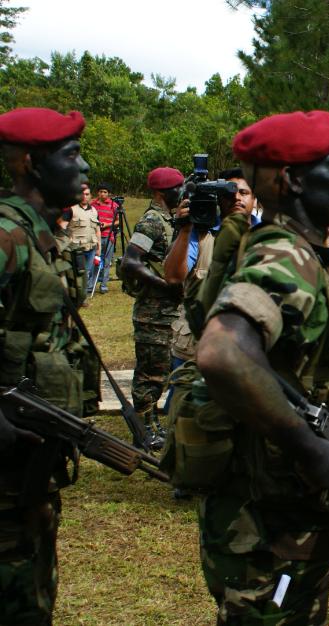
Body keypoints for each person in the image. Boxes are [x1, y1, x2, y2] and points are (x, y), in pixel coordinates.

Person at [192, 110, 329, 624]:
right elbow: (221, 352)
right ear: (291, 180)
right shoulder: (287, 258)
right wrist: (307, 445)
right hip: (266, 520)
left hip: (279, 510)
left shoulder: (296, 249)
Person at [0, 107, 93, 624]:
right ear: (33, 164)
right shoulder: (7, 236)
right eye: (71, 155)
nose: (82, 169)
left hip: (28, 470)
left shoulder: (41, 236)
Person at [163, 168, 257, 371]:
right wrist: (185, 229)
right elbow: (172, 276)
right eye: (229, 193)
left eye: (244, 192)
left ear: (255, 198)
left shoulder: (268, 236)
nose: (237, 198)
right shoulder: (200, 235)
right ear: (218, 199)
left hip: (250, 352)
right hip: (197, 350)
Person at [119, 166, 184, 449]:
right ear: (159, 192)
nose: (181, 192)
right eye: (176, 188)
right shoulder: (152, 221)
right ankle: (143, 432)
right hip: (153, 313)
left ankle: (152, 426)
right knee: (150, 373)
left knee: (163, 370)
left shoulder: (172, 220)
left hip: (169, 311)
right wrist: (164, 284)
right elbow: (130, 262)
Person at [64, 182, 101, 300]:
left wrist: (99, 247)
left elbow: (97, 229)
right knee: (75, 273)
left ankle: (82, 297)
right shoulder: (71, 210)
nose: (85, 196)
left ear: (90, 196)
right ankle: (73, 296)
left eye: (87, 194)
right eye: (82, 194)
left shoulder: (94, 211)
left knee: (87, 273)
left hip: (91, 247)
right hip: (76, 249)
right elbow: (62, 227)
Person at [91, 183, 119, 294]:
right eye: (101, 191)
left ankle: (104, 285)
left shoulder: (114, 205)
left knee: (107, 261)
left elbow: (118, 221)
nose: (102, 194)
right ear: (97, 192)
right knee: (95, 261)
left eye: (105, 192)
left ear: (109, 193)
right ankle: (91, 284)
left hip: (109, 236)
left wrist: (107, 224)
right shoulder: (93, 204)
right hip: (94, 237)